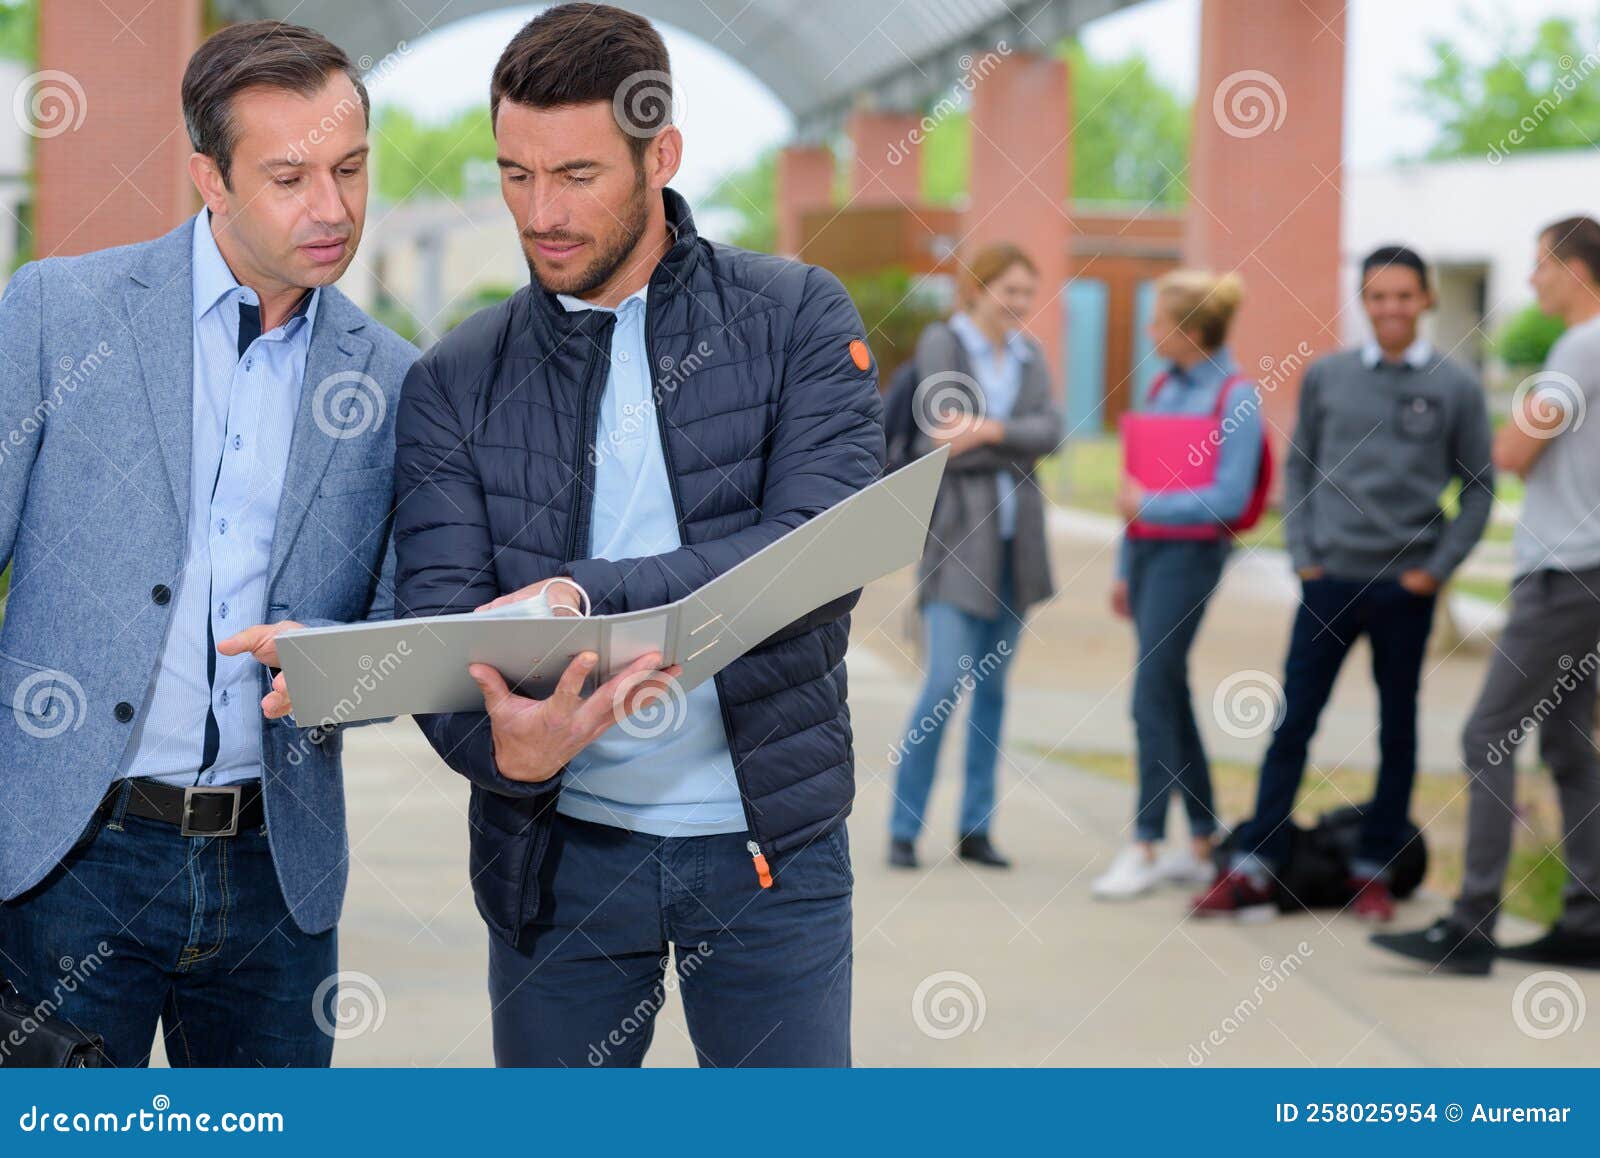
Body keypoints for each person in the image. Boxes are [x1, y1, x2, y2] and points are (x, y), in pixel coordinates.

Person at [391, 3, 883, 1067]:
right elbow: (438, 623)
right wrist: (504, 754)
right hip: (555, 861)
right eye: (514, 174)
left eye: (575, 174)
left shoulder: (795, 316)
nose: (539, 211)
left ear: (660, 154)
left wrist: (583, 595)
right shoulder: (454, 377)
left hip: (766, 854)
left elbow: (819, 555)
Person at [0, 21, 417, 1066]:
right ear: (211, 179)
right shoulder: (58, 313)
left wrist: (338, 659)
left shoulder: (398, 380)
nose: (332, 208)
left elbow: (404, 623)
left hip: (275, 876)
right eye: (289, 176)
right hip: (69, 853)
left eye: (350, 169)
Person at [1193, 246, 1493, 922]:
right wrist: (1304, 556)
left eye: (1403, 296)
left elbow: (1478, 491)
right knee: (1293, 721)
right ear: (1364, 301)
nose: (1390, 308)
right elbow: (1297, 471)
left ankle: (1373, 871)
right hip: (1329, 581)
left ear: (1427, 300)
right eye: (1378, 296)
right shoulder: (1327, 377)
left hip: (1404, 588)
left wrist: (1434, 573)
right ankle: (1256, 867)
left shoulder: (1456, 387)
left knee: (1397, 730)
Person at [1374, 217, 1600, 973]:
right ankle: (1588, 919)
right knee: (1571, 746)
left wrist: (1520, 425)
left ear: (1574, 268)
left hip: (1564, 573)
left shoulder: (1579, 345)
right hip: (1588, 572)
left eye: (1541, 266)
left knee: (1487, 736)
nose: (1534, 281)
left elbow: (1510, 451)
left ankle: (1471, 924)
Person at [886, 243, 1061, 871]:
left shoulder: (1028, 354)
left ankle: (976, 828)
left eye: (1024, 293)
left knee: (993, 693)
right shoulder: (944, 344)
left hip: (1020, 543)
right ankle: (905, 826)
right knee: (941, 684)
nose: (1016, 304)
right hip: (957, 539)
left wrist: (987, 430)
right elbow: (944, 441)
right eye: (1007, 290)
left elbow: (1054, 431)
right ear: (978, 287)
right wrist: (1013, 439)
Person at [1091, 271, 1264, 900]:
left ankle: (1144, 843)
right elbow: (1132, 484)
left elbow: (1230, 497)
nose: (1148, 330)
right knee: (1169, 688)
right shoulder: (1164, 386)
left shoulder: (1236, 398)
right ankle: (1200, 839)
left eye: (1158, 321)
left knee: (1147, 697)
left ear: (1191, 332)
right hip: (1146, 557)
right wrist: (1121, 567)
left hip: (1191, 559)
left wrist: (1152, 506)